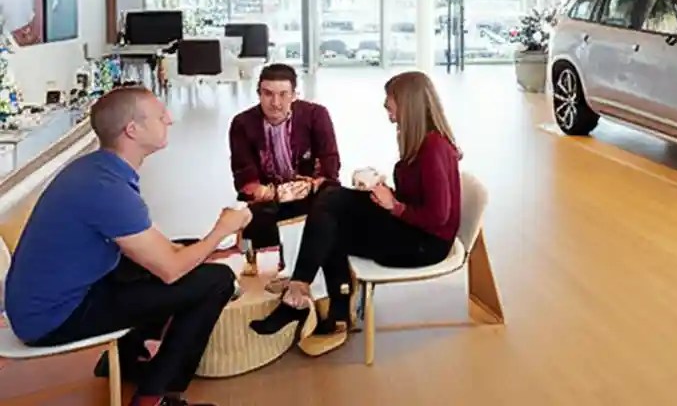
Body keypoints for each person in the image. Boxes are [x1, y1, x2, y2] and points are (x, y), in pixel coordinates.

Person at [3, 86, 250, 406]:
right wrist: (221, 232)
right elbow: (171, 270)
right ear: (132, 130)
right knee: (214, 280)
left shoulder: (96, 168)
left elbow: (158, 249)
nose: (171, 119)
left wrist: (199, 249)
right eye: (161, 117)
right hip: (52, 320)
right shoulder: (107, 188)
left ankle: (131, 357)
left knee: (183, 249)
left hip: (48, 302)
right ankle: (155, 395)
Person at [249, 70, 460, 338]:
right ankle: (316, 300)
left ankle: (307, 298)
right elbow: (419, 197)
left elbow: (438, 216)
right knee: (330, 196)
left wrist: (394, 206)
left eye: (390, 99)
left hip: (426, 245)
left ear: (407, 102)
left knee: (332, 220)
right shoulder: (421, 142)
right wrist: (386, 194)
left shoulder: (433, 148)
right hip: (413, 231)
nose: (386, 105)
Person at [228, 64, 341, 264]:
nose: (276, 103)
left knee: (332, 205)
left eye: (283, 94)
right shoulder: (242, 123)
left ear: (294, 95)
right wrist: (271, 193)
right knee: (256, 216)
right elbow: (244, 176)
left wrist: (309, 185)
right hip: (268, 199)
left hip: (311, 192)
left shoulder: (316, 115)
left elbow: (330, 164)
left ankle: (323, 273)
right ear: (258, 94)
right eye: (268, 94)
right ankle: (265, 271)